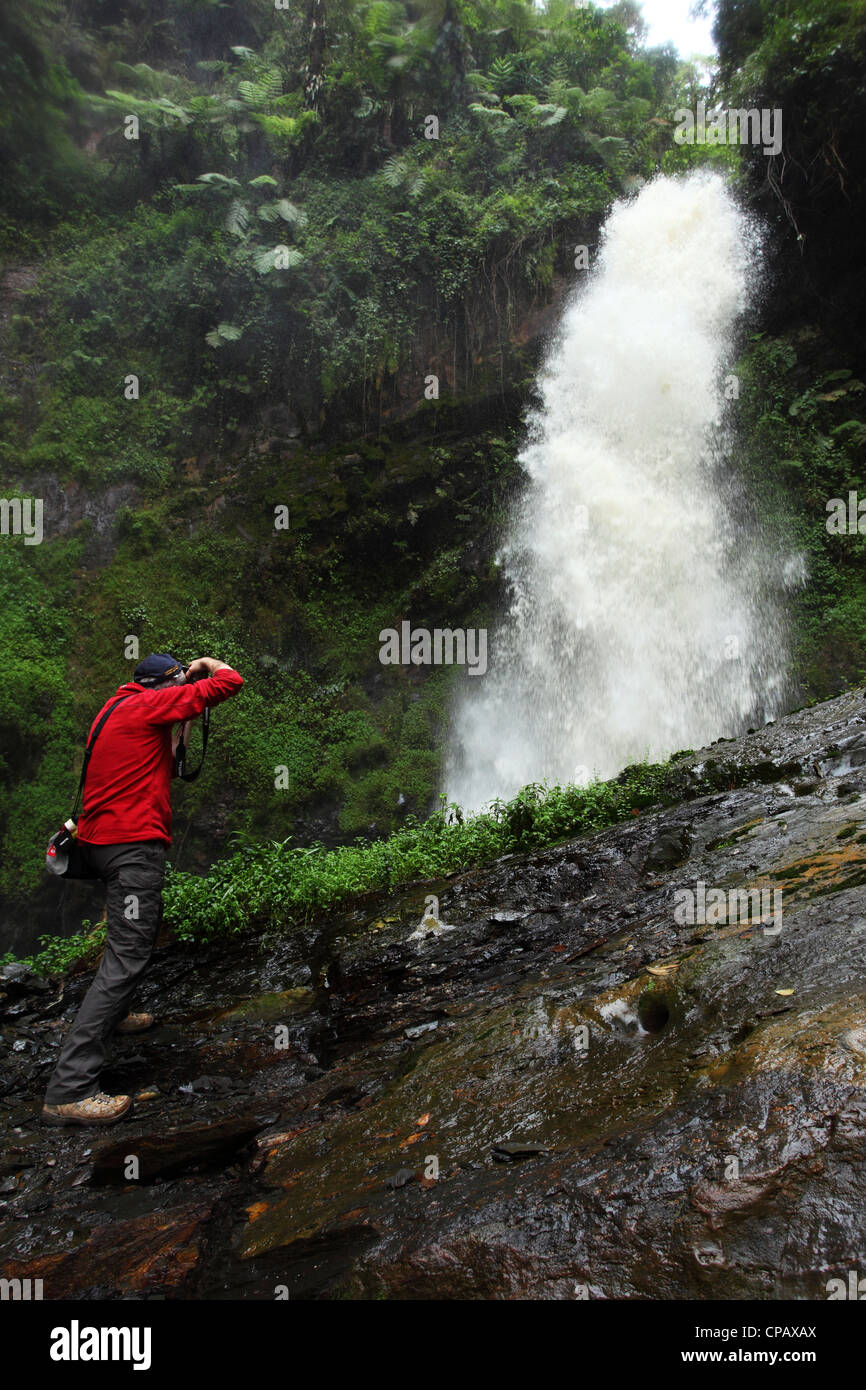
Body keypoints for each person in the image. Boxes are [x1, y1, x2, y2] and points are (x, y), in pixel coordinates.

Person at [42, 653, 244, 1126]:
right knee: (129, 953)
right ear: (161, 688)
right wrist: (207, 667)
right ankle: (69, 1090)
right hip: (130, 846)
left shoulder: (118, 707)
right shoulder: (147, 707)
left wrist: (184, 717)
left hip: (98, 841)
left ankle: (116, 1014)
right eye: (174, 687)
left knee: (128, 938)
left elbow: (168, 766)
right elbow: (230, 682)